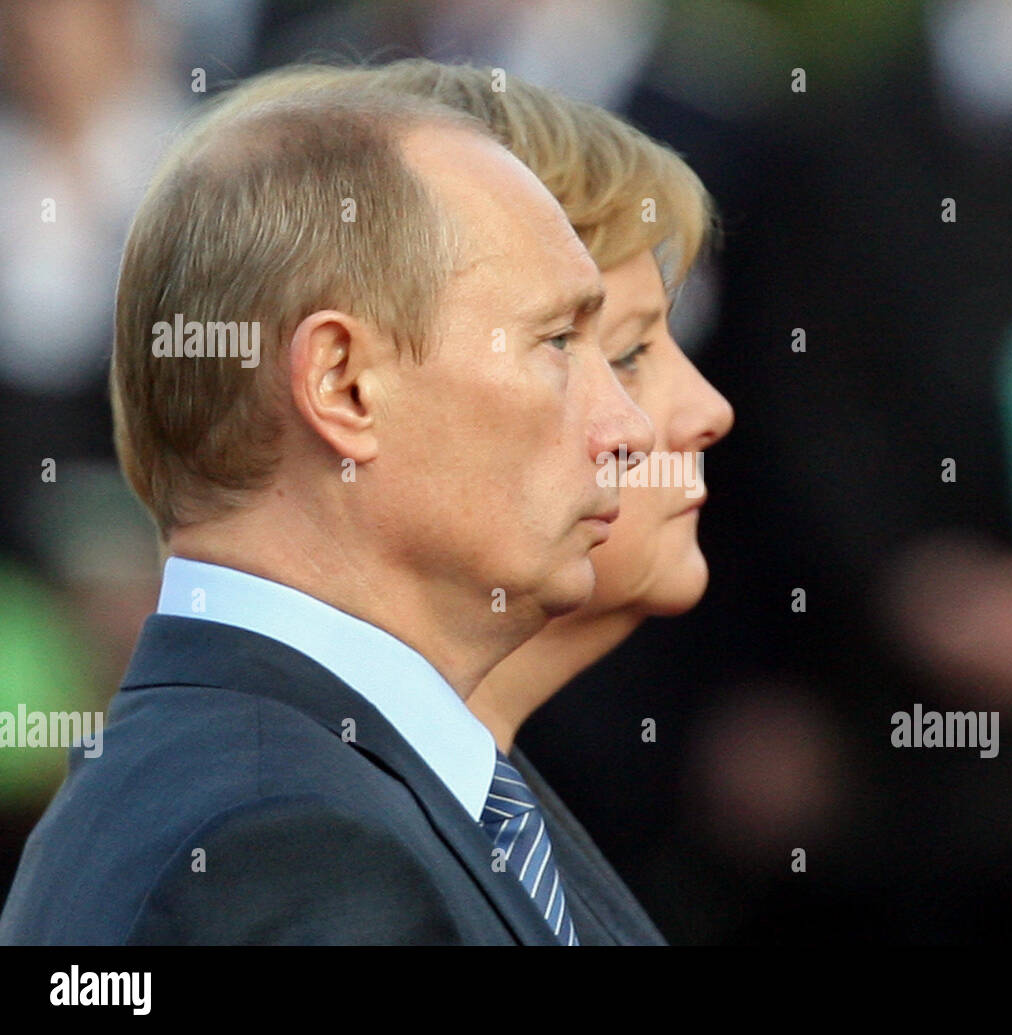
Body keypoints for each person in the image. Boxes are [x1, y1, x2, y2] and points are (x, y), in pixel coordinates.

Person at [0, 75, 654, 944]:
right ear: (344, 385)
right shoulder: (279, 842)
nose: (631, 428)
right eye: (559, 341)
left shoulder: (347, 789)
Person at [197, 59, 737, 945]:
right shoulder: (292, 835)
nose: (703, 412)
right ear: (351, 385)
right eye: (614, 348)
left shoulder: (473, 802)